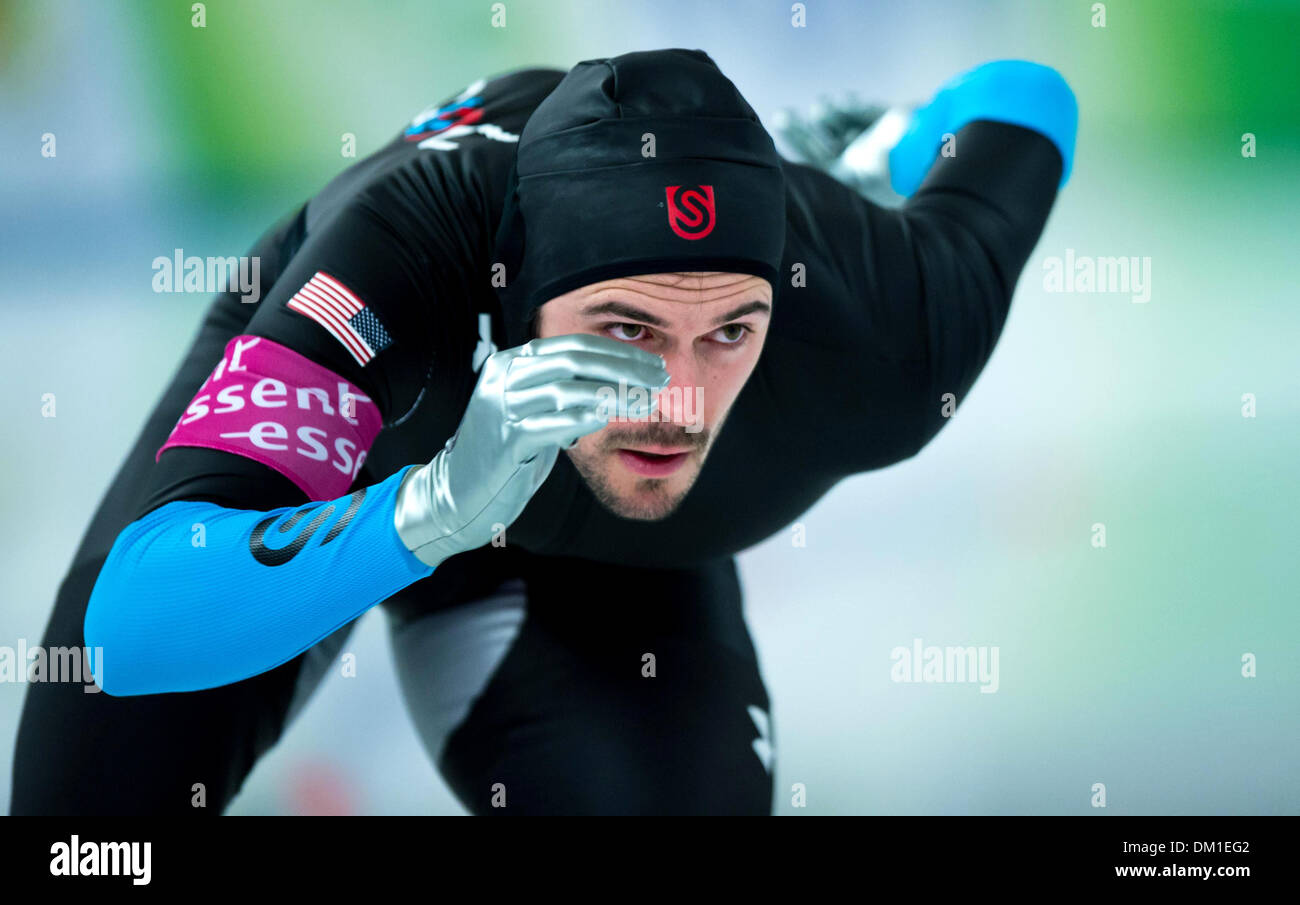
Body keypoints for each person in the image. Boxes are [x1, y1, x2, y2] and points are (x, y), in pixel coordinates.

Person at [12, 49, 1076, 815]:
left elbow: (1026, 96)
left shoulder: (892, 325)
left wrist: (896, 144)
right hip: (381, 433)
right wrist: (428, 505)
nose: (678, 401)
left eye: (729, 332)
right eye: (626, 329)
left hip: (611, 553)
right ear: (520, 294)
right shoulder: (397, 258)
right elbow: (137, 627)